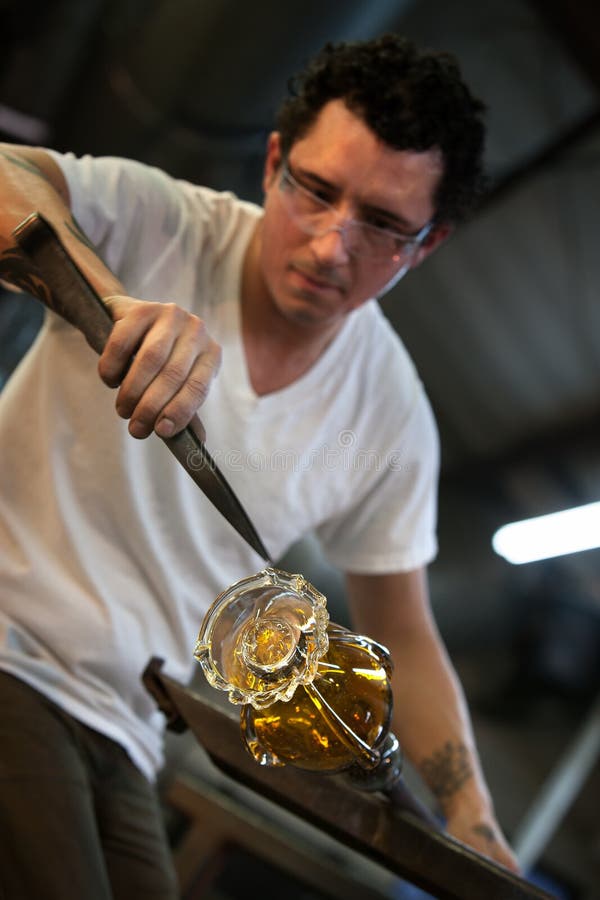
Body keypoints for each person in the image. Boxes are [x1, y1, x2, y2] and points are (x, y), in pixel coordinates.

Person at [0, 33, 519, 899]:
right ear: (275, 159)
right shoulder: (160, 224)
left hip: (131, 723)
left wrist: (471, 820)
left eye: (383, 226)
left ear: (427, 244)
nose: (327, 247)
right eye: (314, 191)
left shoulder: (388, 417)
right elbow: (10, 171)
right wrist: (108, 296)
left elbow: (404, 624)